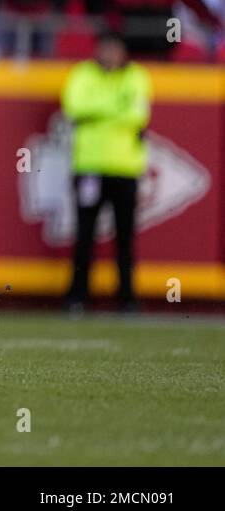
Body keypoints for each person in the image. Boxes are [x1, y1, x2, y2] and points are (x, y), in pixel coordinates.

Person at [61, 32, 151, 313]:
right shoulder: (82, 74)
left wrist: (97, 112)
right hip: (90, 167)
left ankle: (126, 297)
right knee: (84, 235)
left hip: (125, 168)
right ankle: (78, 296)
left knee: (125, 237)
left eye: (114, 48)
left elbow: (138, 114)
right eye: (105, 48)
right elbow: (74, 107)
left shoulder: (136, 75)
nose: (109, 53)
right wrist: (116, 108)